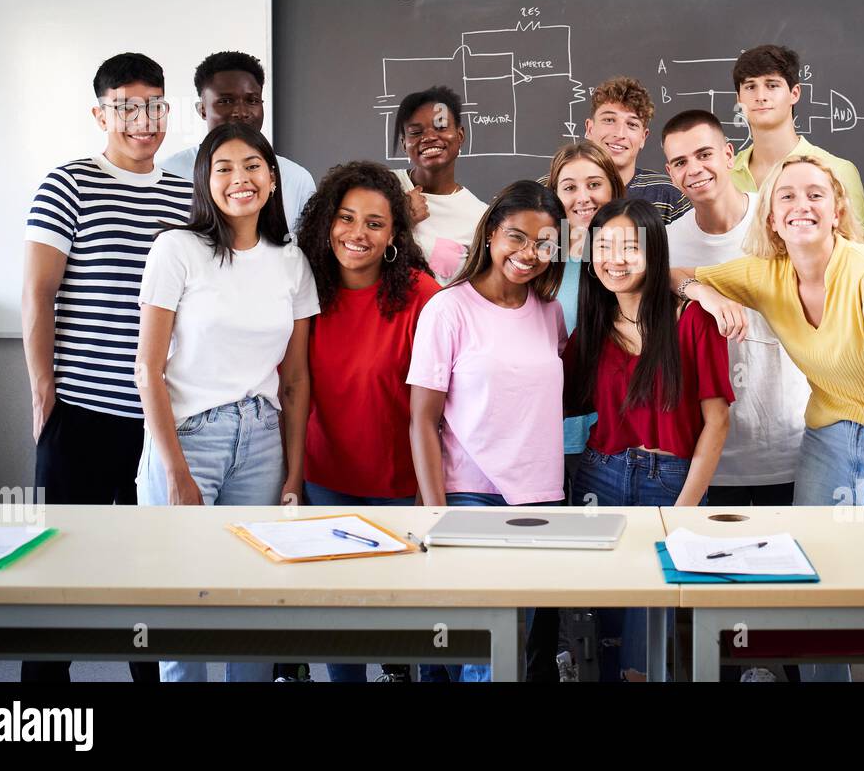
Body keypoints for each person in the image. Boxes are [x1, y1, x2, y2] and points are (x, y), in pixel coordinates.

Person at [674, 155, 864, 683]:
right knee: (812, 580)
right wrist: (705, 293)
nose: (802, 205)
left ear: (837, 208)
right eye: (787, 197)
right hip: (824, 437)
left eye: (815, 195)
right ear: (772, 219)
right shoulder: (764, 274)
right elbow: (672, 275)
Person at [21, 52, 190, 684]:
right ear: (101, 113)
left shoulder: (185, 195)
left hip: (160, 419)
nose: (143, 120)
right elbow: (38, 293)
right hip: (83, 413)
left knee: (149, 570)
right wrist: (45, 394)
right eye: (127, 106)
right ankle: (40, 699)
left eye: (155, 105)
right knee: (59, 568)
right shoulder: (66, 183)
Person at [135, 123, 319, 683]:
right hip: (188, 438)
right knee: (178, 601)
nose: (240, 178)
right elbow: (148, 368)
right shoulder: (177, 249)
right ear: (205, 180)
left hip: (262, 438)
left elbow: (295, 381)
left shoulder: (291, 262)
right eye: (224, 168)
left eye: (253, 166)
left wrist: (294, 472)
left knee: (256, 600)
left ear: (272, 177)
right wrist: (176, 473)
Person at [662, 109, 809, 683]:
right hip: (708, 458)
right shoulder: (666, 240)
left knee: (789, 611)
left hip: (789, 446)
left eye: (703, 154)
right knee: (713, 620)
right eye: (678, 161)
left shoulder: (777, 223)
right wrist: (696, 286)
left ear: (730, 155)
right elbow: (648, 272)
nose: (693, 169)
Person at [407, 180, 568, 681]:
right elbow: (422, 418)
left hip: (541, 502)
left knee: (521, 653)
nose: (529, 253)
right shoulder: (448, 309)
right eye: (517, 237)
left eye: (544, 243)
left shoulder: (550, 313)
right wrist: (438, 511)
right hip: (471, 497)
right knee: (485, 656)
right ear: (492, 233)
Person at [567, 198, 733, 681]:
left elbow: (717, 422)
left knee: (651, 630)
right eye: (604, 246)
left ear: (653, 252)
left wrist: (684, 510)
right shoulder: (593, 327)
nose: (614, 258)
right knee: (605, 623)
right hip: (601, 477)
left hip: (671, 482)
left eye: (628, 247)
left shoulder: (692, 319)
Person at [294, 161, 438, 683]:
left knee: (410, 617)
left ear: (394, 234)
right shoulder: (304, 289)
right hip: (326, 478)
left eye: (375, 223)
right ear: (327, 221)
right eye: (347, 218)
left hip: (402, 482)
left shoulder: (423, 295)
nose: (357, 234)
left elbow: (445, 404)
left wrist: (430, 491)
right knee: (339, 616)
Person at [526, 140, 625, 683]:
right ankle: (548, 665)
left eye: (594, 185)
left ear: (613, 189)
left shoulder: (626, 247)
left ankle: (602, 665)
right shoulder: (540, 256)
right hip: (546, 438)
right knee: (545, 561)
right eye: (569, 187)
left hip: (610, 439)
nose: (583, 197)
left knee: (605, 562)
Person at [161, 50, 316, 231]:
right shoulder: (169, 172)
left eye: (252, 100)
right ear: (202, 109)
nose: (241, 112)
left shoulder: (296, 178)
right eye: (226, 101)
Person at [729, 44, 864, 229]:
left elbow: (855, 251)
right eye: (750, 87)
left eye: (772, 85)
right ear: (739, 99)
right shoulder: (725, 176)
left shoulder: (837, 171)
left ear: (794, 94)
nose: (760, 96)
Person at [391, 85, 489, 284]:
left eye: (441, 127)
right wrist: (402, 220)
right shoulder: (382, 187)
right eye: (416, 132)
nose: (428, 137)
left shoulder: (480, 217)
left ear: (460, 135)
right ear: (404, 144)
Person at [582, 76, 690, 224]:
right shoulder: (553, 188)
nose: (619, 134)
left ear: (643, 137)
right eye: (609, 120)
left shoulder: (667, 196)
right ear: (589, 128)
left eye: (632, 124)